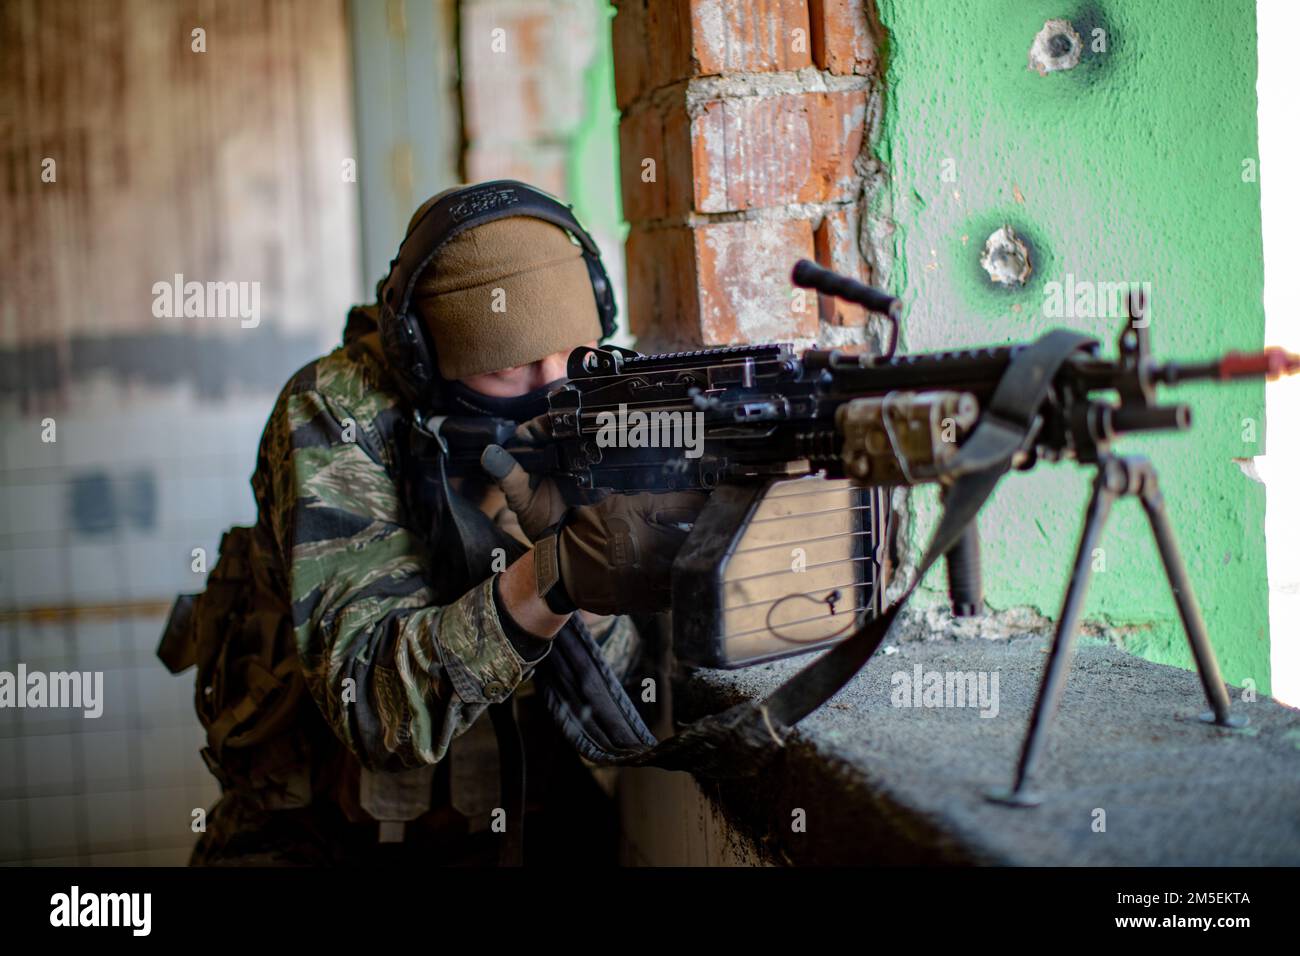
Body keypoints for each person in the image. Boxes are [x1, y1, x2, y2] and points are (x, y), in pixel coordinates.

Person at [159, 181, 704, 865]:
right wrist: (548, 580)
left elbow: (639, 691)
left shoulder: (589, 405)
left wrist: (599, 593)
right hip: (327, 841)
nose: (554, 384)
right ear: (424, 356)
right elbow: (374, 709)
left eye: (576, 354)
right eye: (513, 367)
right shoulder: (337, 413)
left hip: (517, 826)